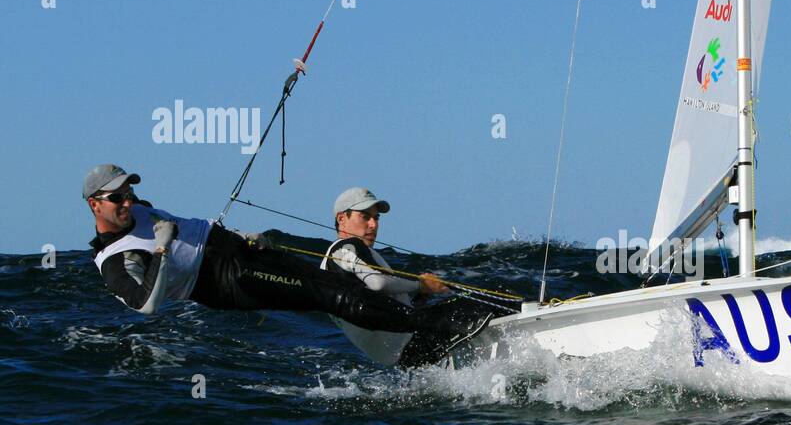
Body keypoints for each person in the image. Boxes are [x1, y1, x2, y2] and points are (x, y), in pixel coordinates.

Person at [84, 164, 464, 340]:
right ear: (94, 206)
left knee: (333, 282)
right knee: (332, 295)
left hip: (239, 251)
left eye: (129, 193)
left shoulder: (138, 209)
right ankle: (438, 327)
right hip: (225, 281)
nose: (127, 202)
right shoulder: (115, 259)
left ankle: (415, 317)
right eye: (117, 197)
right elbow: (144, 306)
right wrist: (163, 249)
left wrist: (238, 236)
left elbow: (193, 233)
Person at [321, 187, 514, 367]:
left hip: (403, 355)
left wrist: (422, 296)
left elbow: (378, 303)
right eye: (365, 217)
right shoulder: (346, 247)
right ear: (341, 218)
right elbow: (378, 283)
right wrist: (420, 285)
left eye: (376, 218)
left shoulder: (333, 264)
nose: (373, 224)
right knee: (497, 295)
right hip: (413, 337)